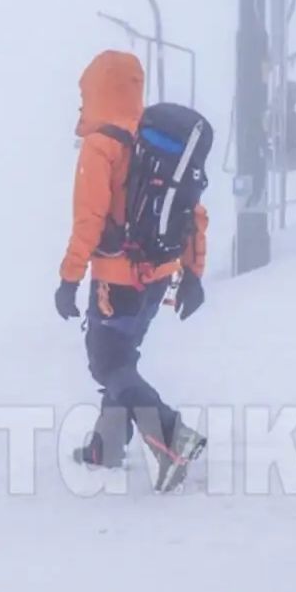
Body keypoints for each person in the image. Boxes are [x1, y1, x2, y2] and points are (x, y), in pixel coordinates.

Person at [55, 50, 208, 492]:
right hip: (158, 274)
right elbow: (194, 213)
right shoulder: (154, 140)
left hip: (116, 278)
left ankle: (172, 435)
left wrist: (69, 279)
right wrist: (193, 274)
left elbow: (88, 220)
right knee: (121, 357)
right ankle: (106, 447)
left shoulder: (102, 144)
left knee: (108, 363)